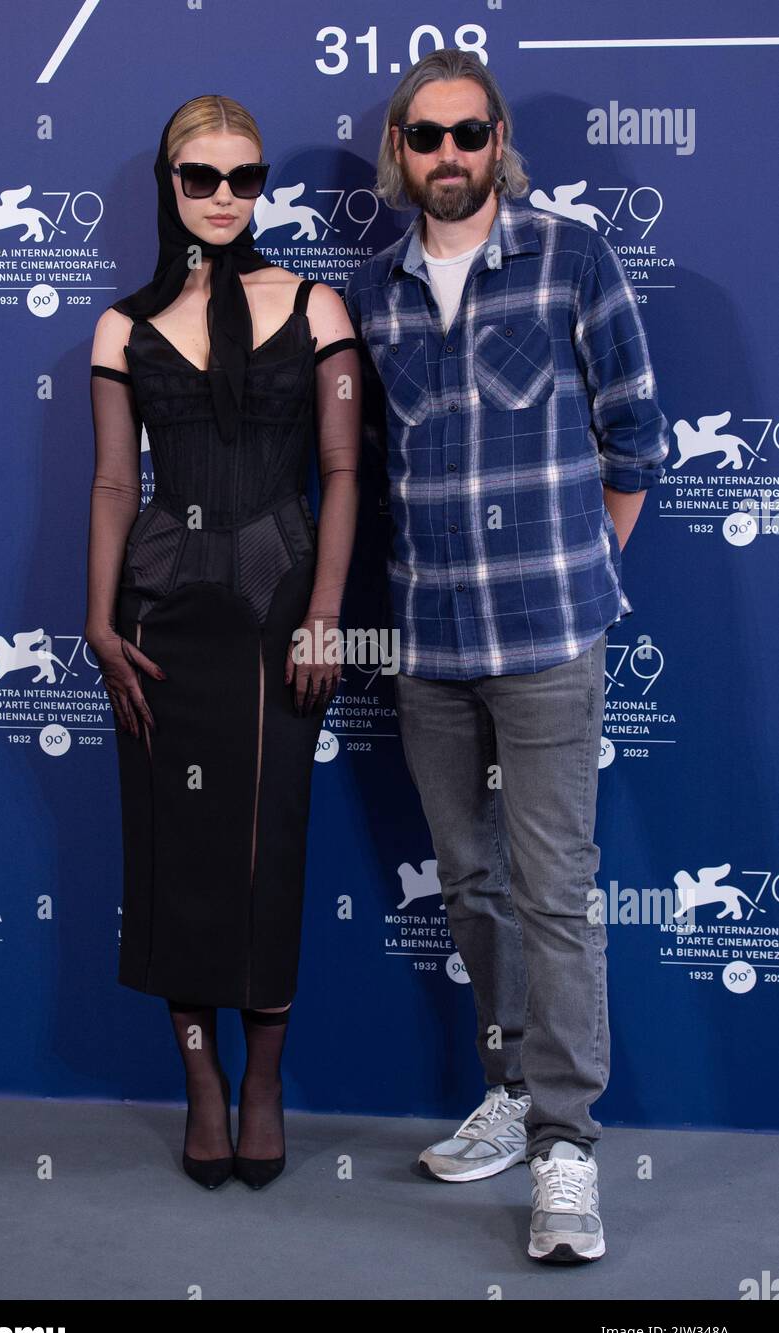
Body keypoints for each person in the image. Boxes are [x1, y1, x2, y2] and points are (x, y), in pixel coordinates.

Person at [345, 50, 669, 1261]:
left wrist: (581, 573)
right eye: (423, 138)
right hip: (426, 642)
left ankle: (568, 1153)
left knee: (555, 892)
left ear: (496, 143)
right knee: (471, 887)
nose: (446, 158)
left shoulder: (571, 255)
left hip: (547, 638)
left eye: (467, 135)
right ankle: (513, 1090)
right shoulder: (374, 292)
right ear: (397, 147)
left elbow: (634, 435)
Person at [85, 95, 361, 1192]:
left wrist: (327, 613)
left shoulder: (316, 305)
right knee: (174, 846)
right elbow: (114, 481)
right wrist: (98, 618)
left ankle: (263, 1081)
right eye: (200, 178)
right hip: (164, 610)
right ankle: (201, 1078)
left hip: (285, 609)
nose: (222, 198)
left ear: (260, 189)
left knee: (269, 844)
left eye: (243, 179)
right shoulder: (122, 324)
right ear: (170, 182)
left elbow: (340, 471)